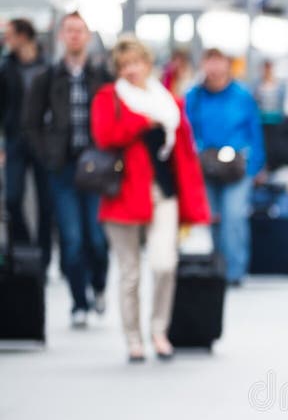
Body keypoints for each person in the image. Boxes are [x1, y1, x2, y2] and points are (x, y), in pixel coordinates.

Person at [91, 35, 209, 362]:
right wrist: (142, 122)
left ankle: (159, 330)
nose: (131, 70)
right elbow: (105, 135)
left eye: (136, 63)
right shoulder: (109, 97)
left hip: (164, 190)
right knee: (130, 272)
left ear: (147, 64)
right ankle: (133, 338)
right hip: (123, 194)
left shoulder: (166, 100)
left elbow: (183, 146)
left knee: (164, 264)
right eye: (124, 65)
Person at [23, 11, 112, 327]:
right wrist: (47, 155)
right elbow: (31, 123)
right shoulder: (47, 78)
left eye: (80, 30)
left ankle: (98, 285)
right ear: (62, 36)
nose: (74, 36)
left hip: (97, 168)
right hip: (63, 168)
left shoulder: (101, 76)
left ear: (87, 36)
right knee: (71, 239)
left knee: (97, 238)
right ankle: (79, 302)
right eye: (69, 30)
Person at [185, 49, 265, 286]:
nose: (214, 68)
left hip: (237, 167)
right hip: (206, 165)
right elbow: (187, 130)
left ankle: (234, 271)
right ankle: (217, 267)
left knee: (234, 217)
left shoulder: (242, 95)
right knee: (212, 218)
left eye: (219, 62)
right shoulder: (194, 96)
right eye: (209, 62)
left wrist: (256, 166)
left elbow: (255, 131)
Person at [0, 18, 51, 270]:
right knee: (12, 199)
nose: (6, 39)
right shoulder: (6, 67)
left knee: (46, 203)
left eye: (10, 34)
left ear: (23, 36)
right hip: (15, 140)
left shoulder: (47, 66)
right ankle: (23, 251)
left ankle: (43, 258)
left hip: (43, 141)